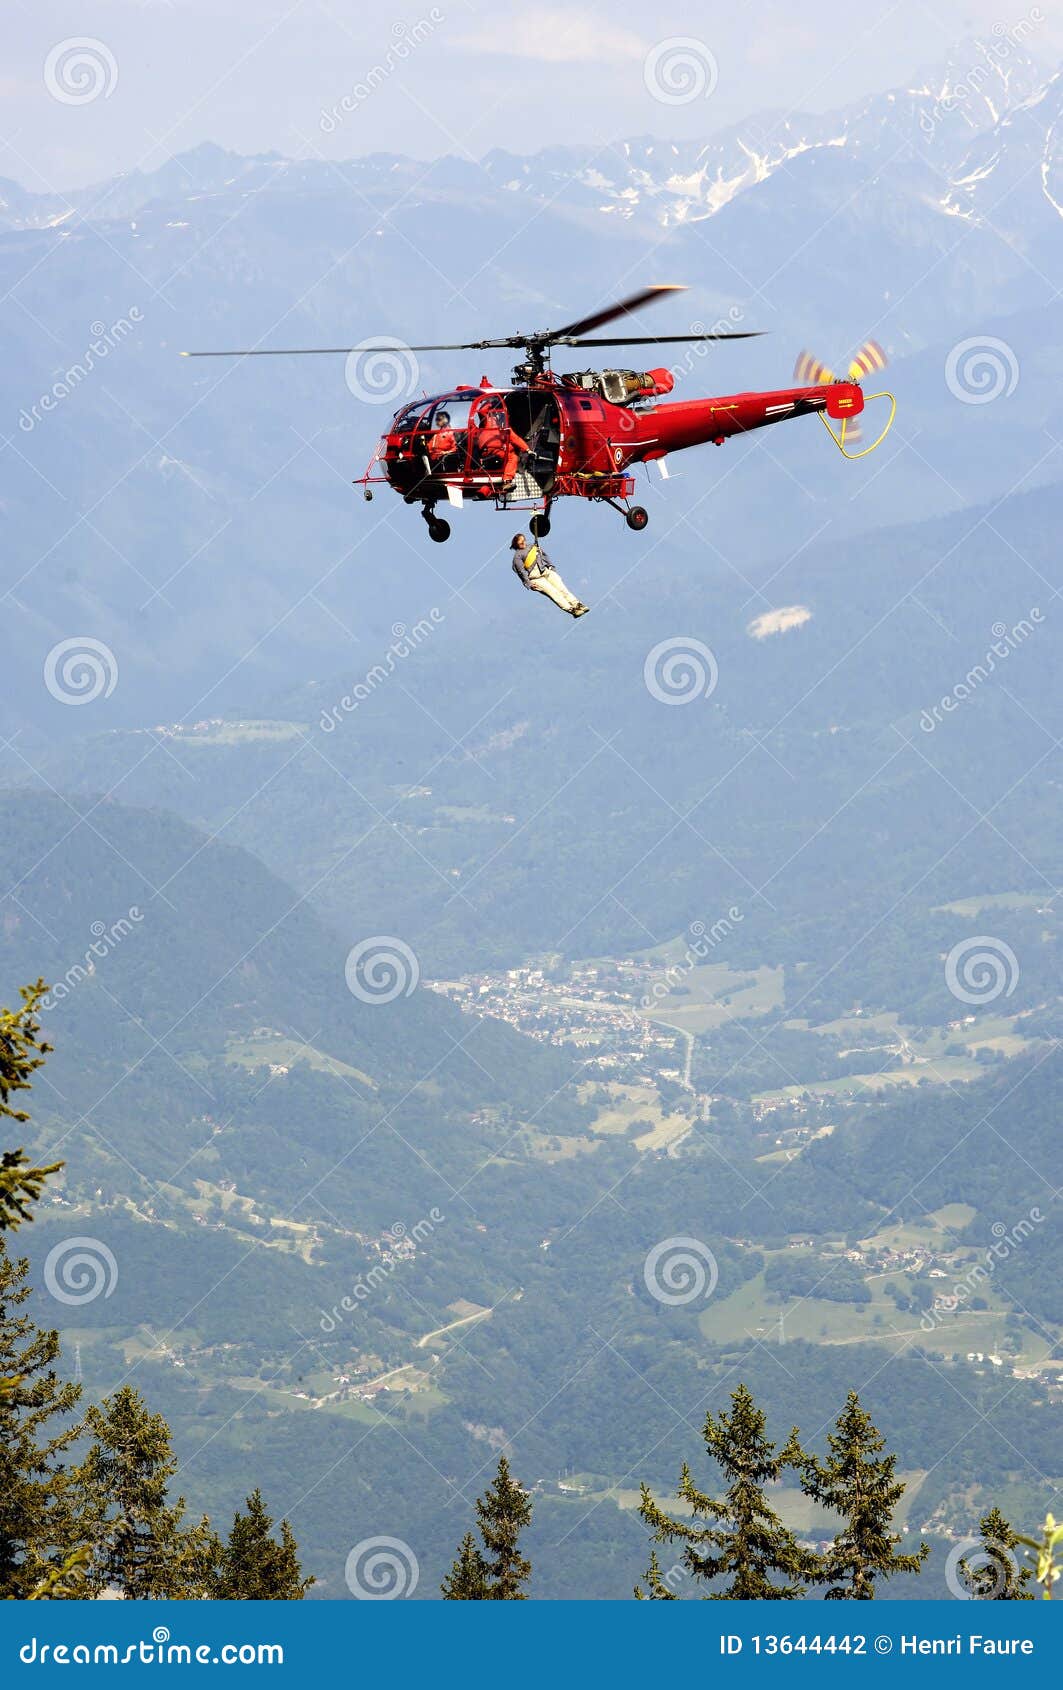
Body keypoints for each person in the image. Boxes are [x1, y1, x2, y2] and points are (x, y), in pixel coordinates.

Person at [510, 533, 589, 618]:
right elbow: (521, 572)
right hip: (536, 579)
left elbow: (543, 555)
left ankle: (577, 605)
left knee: (562, 589)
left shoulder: (532, 546)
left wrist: (551, 566)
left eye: (524, 540)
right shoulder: (517, 557)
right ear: (516, 544)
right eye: (521, 542)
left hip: (546, 572)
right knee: (554, 593)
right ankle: (572, 610)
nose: (523, 543)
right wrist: (529, 584)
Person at [476, 404, 528, 486]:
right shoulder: (488, 420)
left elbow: (515, 438)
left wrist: (527, 449)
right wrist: (490, 402)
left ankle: (506, 478)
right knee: (513, 458)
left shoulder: (505, 427)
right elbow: (481, 411)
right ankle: (507, 480)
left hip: (496, 450)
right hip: (488, 449)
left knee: (512, 454)